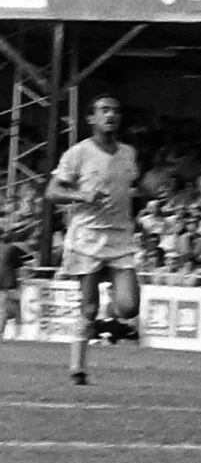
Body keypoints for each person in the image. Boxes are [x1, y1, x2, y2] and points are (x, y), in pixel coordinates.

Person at [46, 95, 148, 386]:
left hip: (119, 238)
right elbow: (52, 191)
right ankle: (77, 368)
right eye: (104, 111)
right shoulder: (77, 154)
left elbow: (128, 188)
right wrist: (82, 195)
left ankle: (111, 315)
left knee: (129, 307)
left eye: (115, 111)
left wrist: (140, 197)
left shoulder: (128, 153)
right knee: (88, 308)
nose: (111, 115)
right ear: (91, 119)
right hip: (87, 238)